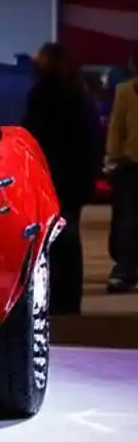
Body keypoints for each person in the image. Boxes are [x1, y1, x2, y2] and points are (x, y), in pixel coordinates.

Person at [23, 43, 101, 314]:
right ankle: (71, 299)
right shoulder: (80, 95)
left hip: (49, 176)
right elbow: (92, 139)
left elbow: (33, 136)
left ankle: (52, 299)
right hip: (75, 177)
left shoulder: (40, 96)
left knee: (49, 240)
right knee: (71, 236)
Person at [106, 50, 138, 293]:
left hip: (128, 163)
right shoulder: (125, 91)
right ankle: (126, 268)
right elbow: (116, 126)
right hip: (129, 164)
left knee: (127, 219)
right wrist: (113, 156)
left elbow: (116, 127)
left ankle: (126, 269)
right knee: (126, 220)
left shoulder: (124, 90)